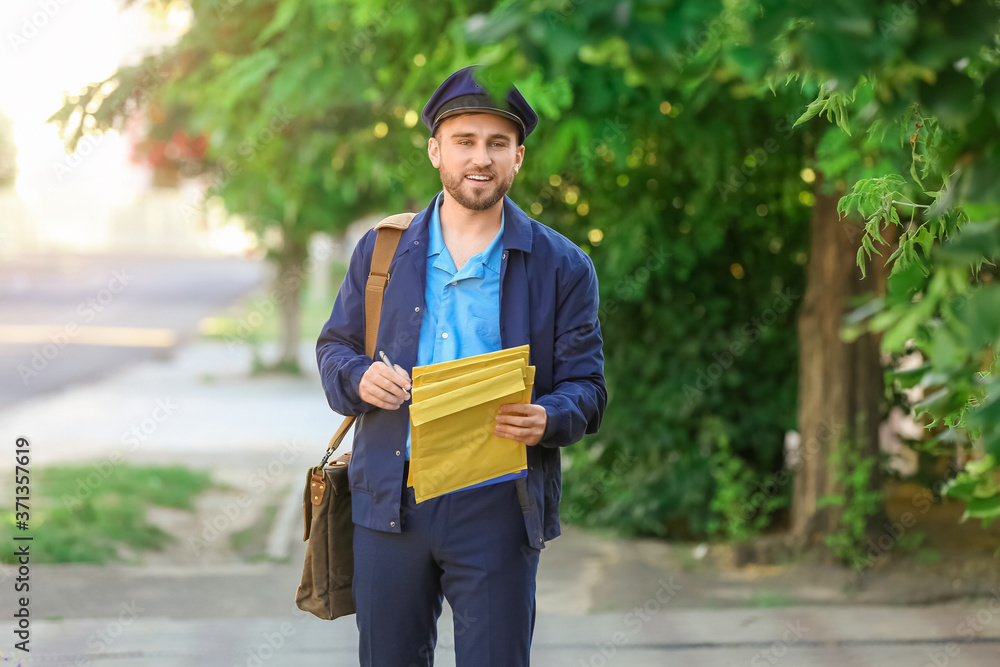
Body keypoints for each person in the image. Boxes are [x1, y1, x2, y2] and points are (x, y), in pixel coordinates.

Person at [317, 64, 606, 667]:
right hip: (390, 503)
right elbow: (334, 349)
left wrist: (549, 417)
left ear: (518, 157)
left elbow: (588, 388)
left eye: (497, 143)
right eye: (465, 141)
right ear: (434, 151)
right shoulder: (382, 250)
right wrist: (357, 377)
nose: (481, 158)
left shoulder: (563, 265)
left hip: (500, 503)